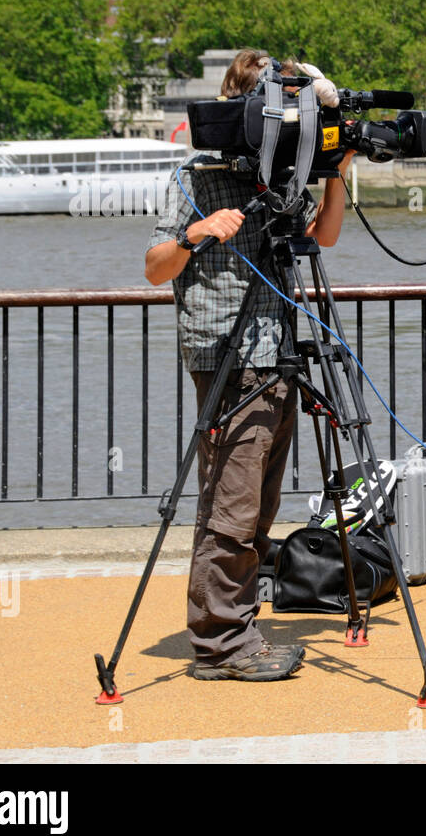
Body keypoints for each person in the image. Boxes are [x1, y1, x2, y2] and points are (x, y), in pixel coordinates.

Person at [144, 48, 353, 681]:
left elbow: (325, 237)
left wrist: (336, 171)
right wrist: (197, 232)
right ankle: (218, 646)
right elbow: (154, 266)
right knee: (230, 506)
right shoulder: (196, 175)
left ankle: (238, 627)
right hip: (225, 354)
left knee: (259, 508)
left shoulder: (284, 179)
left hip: (278, 351)